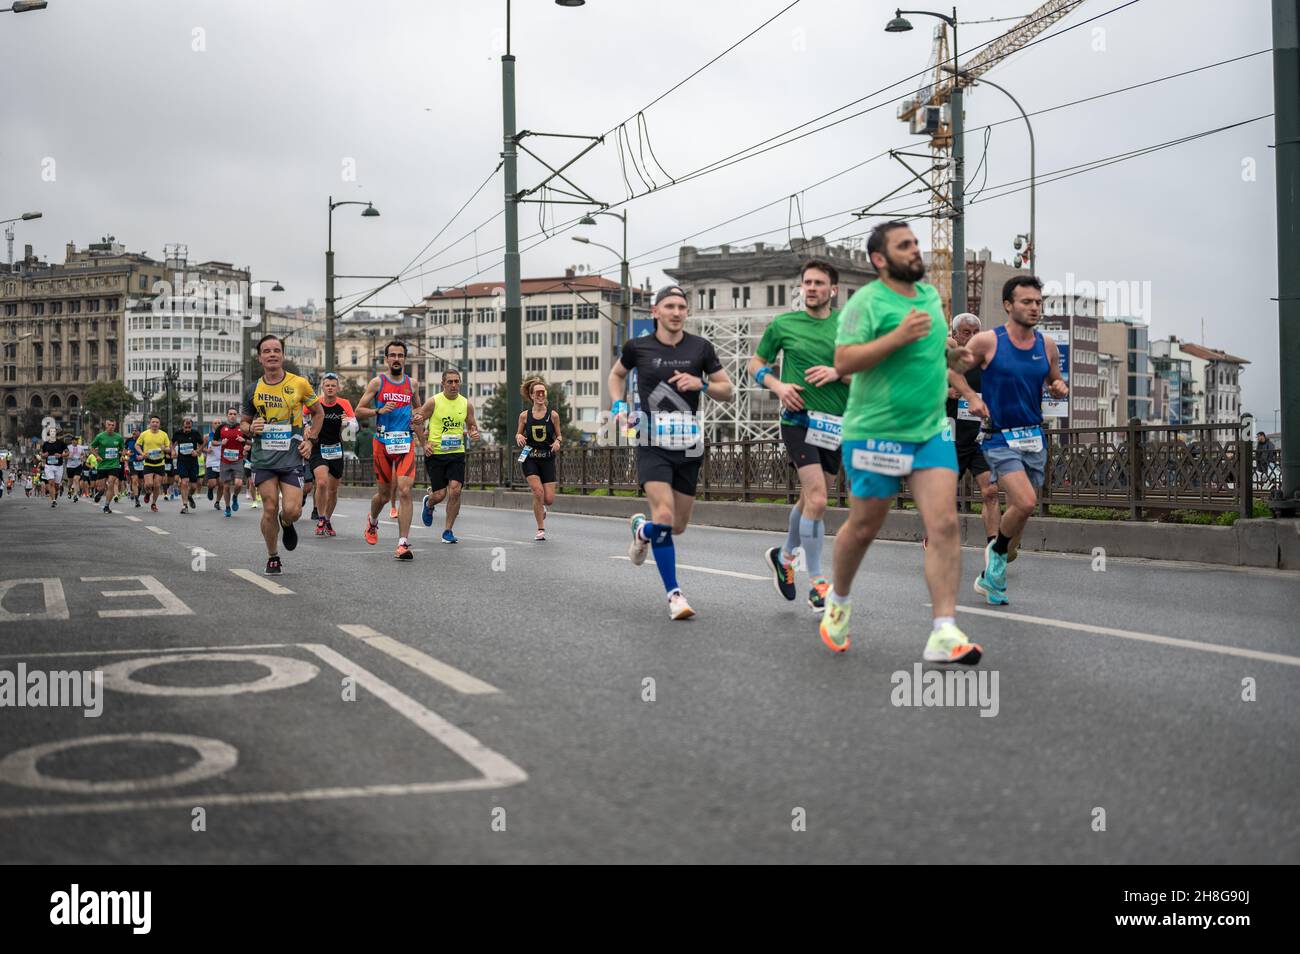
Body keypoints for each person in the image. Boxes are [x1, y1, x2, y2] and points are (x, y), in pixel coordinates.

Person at [819, 220, 982, 664]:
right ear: (880, 259)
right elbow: (844, 360)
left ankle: (943, 630)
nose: (916, 251)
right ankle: (840, 599)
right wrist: (896, 336)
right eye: (904, 245)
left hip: (929, 429)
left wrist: (952, 356)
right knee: (865, 525)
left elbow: (927, 350)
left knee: (944, 524)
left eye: (915, 243)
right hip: (875, 430)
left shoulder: (930, 296)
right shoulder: (866, 303)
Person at [609, 284, 733, 620]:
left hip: (689, 445)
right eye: (669, 306)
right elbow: (616, 374)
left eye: (681, 306)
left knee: (676, 526)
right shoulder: (638, 347)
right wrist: (619, 405)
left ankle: (641, 530)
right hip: (651, 440)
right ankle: (674, 595)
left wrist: (702, 384)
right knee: (663, 516)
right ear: (655, 312)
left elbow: (728, 390)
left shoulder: (700, 348)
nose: (676, 312)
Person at [749, 259, 850, 612]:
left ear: (833, 290)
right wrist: (777, 385)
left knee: (811, 500)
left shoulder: (849, 327)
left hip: (835, 424)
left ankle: (784, 556)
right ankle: (818, 582)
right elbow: (755, 364)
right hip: (797, 420)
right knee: (819, 500)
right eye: (806, 282)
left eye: (819, 283)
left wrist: (838, 373)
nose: (811, 288)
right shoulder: (784, 324)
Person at [964, 275, 1068, 606]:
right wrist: (970, 397)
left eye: (1038, 302)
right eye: (1026, 302)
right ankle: (995, 554)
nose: (1034, 307)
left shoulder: (1046, 345)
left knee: (1019, 522)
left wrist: (1058, 386)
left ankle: (992, 574)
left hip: (1034, 438)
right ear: (1008, 305)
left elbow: (1055, 379)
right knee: (1024, 502)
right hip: (998, 438)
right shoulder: (986, 342)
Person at [240, 334, 322, 575]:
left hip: (292, 457)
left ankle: (286, 523)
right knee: (268, 507)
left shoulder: (299, 383)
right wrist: (249, 428)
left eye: (276, 350)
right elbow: (243, 423)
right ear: (260, 358)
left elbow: (318, 413)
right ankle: (273, 556)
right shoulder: (252, 389)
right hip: (263, 458)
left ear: (283, 355)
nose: (272, 354)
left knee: (293, 510)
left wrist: (311, 438)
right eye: (267, 351)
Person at [355, 340, 420, 560]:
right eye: (392, 355)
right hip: (382, 444)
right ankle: (373, 522)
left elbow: (418, 411)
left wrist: (420, 428)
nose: (396, 359)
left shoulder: (412, 384)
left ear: (405, 359)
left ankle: (403, 543)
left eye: (400, 355)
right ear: (386, 359)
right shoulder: (377, 382)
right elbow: (358, 411)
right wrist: (378, 410)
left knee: (404, 490)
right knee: (383, 496)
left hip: (405, 443)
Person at [945, 313, 999, 544]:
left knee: (990, 492)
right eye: (966, 332)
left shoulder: (988, 363)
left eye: (976, 332)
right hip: (950, 437)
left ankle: (995, 548)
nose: (972, 337)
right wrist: (945, 393)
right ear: (955, 334)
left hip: (981, 437)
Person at [414, 367, 479, 544]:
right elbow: (417, 422)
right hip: (435, 454)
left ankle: (448, 531)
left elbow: (472, 425)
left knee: (456, 490)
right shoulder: (434, 402)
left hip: (456, 453)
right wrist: (424, 443)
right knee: (440, 495)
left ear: (460, 384)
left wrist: (474, 433)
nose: (453, 385)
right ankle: (429, 502)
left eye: (456, 381)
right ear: (443, 383)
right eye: (449, 382)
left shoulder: (466, 404)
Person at [308, 372, 356, 537]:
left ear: (338, 388)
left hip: (336, 448)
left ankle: (327, 519)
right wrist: (306, 427)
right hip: (318, 448)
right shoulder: (315, 402)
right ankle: (320, 518)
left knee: (333, 490)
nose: (330, 388)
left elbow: (353, 429)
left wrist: (347, 423)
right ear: (322, 387)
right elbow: (299, 416)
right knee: (321, 483)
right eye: (327, 385)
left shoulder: (344, 403)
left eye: (333, 385)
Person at [514, 376, 561, 541]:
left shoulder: (553, 415)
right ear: (532, 396)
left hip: (547, 458)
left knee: (548, 499)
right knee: (537, 491)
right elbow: (518, 433)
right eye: (538, 393)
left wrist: (557, 442)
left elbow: (560, 436)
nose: (541, 396)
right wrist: (519, 436)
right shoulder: (524, 416)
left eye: (543, 393)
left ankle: (541, 507)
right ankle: (540, 528)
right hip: (529, 456)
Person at [89, 419, 127, 513]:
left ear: (115, 426)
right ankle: (100, 492)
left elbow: (123, 448)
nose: (111, 427)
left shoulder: (118, 437)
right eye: (109, 425)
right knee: (100, 487)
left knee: (111, 484)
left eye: (113, 425)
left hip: (114, 465)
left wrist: (122, 456)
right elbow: (92, 447)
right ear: (106, 426)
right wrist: (97, 456)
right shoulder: (100, 436)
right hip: (102, 465)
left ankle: (106, 506)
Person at [171, 416, 206, 515]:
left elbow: (202, 443)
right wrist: (173, 450)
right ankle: (184, 505)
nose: (187, 429)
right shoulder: (178, 433)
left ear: (191, 426)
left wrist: (197, 451)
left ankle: (189, 496)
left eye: (189, 427)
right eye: (186, 427)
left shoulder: (195, 433)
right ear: (183, 426)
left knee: (194, 486)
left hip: (193, 462)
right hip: (182, 461)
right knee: (185, 482)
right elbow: (172, 442)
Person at [135, 415, 170, 512]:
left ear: (159, 424)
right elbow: (137, 445)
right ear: (150, 423)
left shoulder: (164, 434)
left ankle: (153, 503)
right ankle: (147, 493)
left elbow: (168, 448)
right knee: (148, 484)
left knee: (157, 485)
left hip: (160, 463)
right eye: (153, 422)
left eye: (157, 422)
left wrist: (165, 449)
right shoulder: (144, 434)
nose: (155, 424)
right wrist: (142, 453)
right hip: (148, 463)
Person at [217, 407, 247, 518]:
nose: (232, 416)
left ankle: (235, 496)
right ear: (227, 415)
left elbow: (250, 441)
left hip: (238, 460)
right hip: (225, 461)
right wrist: (221, 442)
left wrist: (243, 441)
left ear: (237, 416)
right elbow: (214, 442)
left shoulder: (241, 428)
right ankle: (228, 507)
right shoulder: (221, 427)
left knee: (238, 483)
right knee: (226, 486)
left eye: (234, 414)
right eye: (230, 414)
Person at [41, 432, 69, 508]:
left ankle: (56, 493)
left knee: (56, 485)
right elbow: (41, 455)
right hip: (49, 466)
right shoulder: (45, 444)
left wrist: (61, 455)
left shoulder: (61, 443)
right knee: (51, 483)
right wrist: (44, 455)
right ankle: (53, 501)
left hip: (58, 466)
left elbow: (67, 453)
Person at [205, 418, 224, 509]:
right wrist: (206, 450)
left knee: (221, 484)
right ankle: (210, 489)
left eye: (219, 423)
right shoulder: (208, 436)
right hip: (211, 463)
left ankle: (217, 502)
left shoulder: (225, 435)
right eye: (215, 423)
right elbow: (200, 448)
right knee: (212, 483)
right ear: (212, 425)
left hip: (223, 462)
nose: (217, 424)